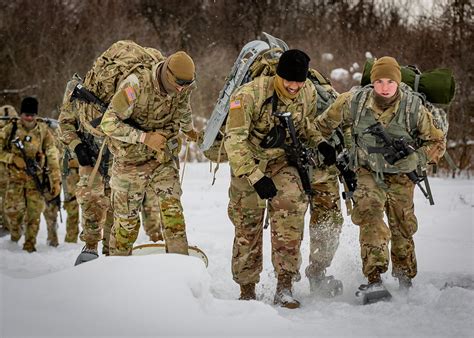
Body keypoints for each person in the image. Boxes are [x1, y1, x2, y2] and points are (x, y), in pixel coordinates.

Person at [315, 56, 446, 294]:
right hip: (367, 172)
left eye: (390, 82)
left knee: (403, 226)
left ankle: (406, 280)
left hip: (402, 176)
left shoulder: (413, 107)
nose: (384, 87)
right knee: (370, 215)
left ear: (398, 83)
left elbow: (437, 141)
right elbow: (321, 126)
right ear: (372, 82)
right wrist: (323, 148)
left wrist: (416, 158)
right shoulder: (353, 101)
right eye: (379, 81)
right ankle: (374, 278)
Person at [224, 49, 334, 308]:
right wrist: (255, 176)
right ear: (278, 75)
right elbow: (234, 141)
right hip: (247, 163)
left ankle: (285, 285)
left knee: (292, 209)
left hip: (281, 161)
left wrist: (320, 143)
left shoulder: (307, 91)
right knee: (247, 226)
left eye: (299, 81)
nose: (294, 86)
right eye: (289, 80)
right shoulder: (250, 94)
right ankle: (247, 289)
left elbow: (305, 124)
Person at [101, 50, 199, 256]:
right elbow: (108, 123)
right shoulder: (135, 85)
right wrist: (144, 138)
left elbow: (183, 109)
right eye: (178, 85)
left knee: (174, 217)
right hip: (130, 161)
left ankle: (180, 272)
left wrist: (189, 130)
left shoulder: (183, 87)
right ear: (167, 75)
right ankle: (115, 271)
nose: (182, 90)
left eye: (186, 86)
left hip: (162, 160)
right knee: (126, 225)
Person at [59, 78, 114, 259]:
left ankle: (113, 253)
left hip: (117, 159)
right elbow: (65, 124)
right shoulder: (80, 92)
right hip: (90, 159)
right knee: (92, 202)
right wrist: (77, 146)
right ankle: (90, 248)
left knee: (117, 207)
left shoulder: (123, 87)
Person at [0, 97, 61, 252]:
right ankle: (15, 233)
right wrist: (13, 158)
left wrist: (55, 180)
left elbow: (52, 154)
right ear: (21, 114)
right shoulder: (10, 129)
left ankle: (29, 246)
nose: (29, 118)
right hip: (15, 179)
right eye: (26, 114)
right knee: (12, 212)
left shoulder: (42, 131)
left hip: (36, 180)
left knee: (34, 215)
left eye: (32, 115)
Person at [0, 105, 18, 237]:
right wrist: (11, 157)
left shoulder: (17, 130)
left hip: (12, 174)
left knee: (10, 203)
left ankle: (9, 227)